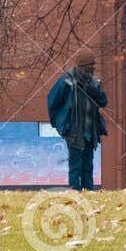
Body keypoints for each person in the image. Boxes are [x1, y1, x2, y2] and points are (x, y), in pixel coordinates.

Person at [47, 49, 108, 190]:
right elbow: (52, 101)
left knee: (88, 165)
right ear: (80, 66)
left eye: (93, 65)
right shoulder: (66, 81)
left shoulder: (94, 82)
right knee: (75, 166)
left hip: (90, 132)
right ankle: (75, 194)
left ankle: (89, 193)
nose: (92, 68)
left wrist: (95, 91)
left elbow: (103, 102)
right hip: (74, 131)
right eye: (89, 65)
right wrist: (60, 125)